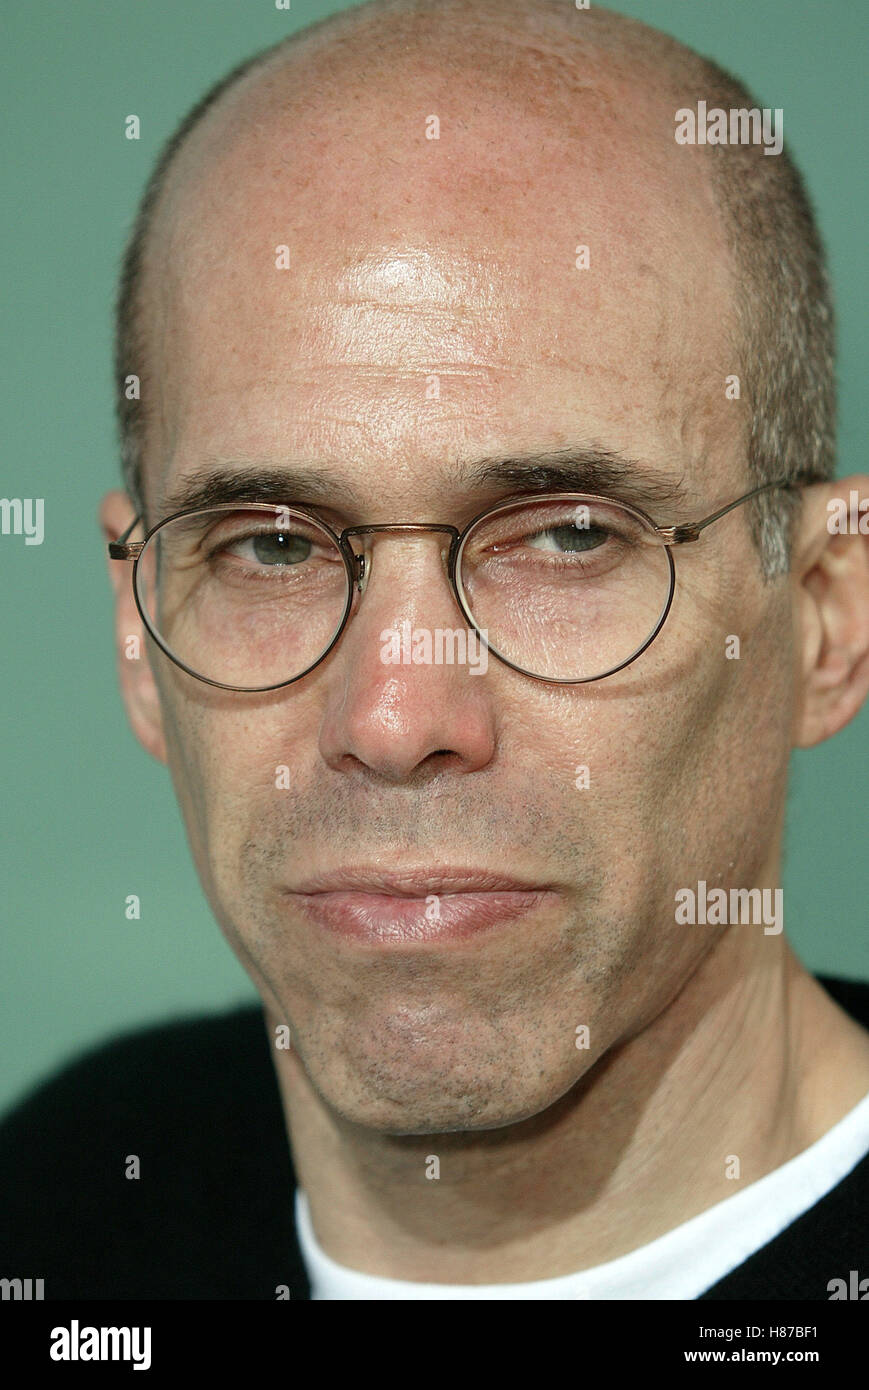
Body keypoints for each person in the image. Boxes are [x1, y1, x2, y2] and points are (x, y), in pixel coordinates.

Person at [3, 0, 869, 1301]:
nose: (396, 716)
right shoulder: (66, 1201)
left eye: (568, 535)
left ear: (822, 617)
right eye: (273, 546)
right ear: (140, 632)